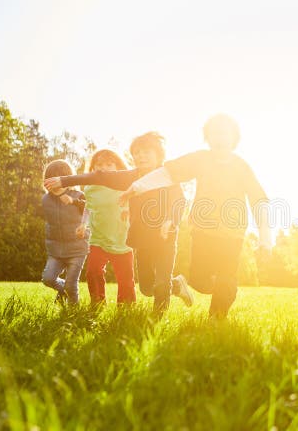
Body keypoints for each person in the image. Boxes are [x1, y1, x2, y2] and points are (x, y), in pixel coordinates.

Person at [121, 114, 272, 319]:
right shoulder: (200, 159)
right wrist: (137, 187)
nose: (219, 138)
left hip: (232, 235)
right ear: (207, 138)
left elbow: (259, 200)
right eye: (214, 133)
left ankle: (216, 317)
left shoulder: (241, 167)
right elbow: (169, 173)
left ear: (234, 138)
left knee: (225, 278)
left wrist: (265, 240)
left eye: (224, 133)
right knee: (199, 281)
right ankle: (222, 285)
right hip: (202, 232)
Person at [43, 132, 193, 316]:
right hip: (142, 240)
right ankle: (177, 285)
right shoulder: (131, 176)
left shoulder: (167, 177)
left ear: (159, 154)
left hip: (165, 240)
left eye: (146, 152)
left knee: (161, 284)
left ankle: (156, 323)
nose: (140, 156)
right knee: (147, 288)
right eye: (137, 152)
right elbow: (99, 177)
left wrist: (171, 221)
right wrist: (65, 180)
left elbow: (180, 201)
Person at [80, 149, 136, 305]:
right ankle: (97, 302)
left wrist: (129, 211)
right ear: (93, 168)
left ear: (118, 167)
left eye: (109, 164)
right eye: (99, 164)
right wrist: (83, 223)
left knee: (125, 279)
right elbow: (89, 207)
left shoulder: (125, 185)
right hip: (98, 239)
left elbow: (136, 201)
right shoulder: (90, 188)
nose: (104, 168)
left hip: (121, 239)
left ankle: (126, 308)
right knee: (92, 271)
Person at [40, 159, 89, 305]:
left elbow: (89, 209)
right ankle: (62, 290)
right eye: (50, 179)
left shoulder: (78, 196)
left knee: (71, 285)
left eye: (59, 179)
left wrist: (83, 225)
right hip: (56, 250)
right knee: (48, 278)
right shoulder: (46, 199)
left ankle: (74, 313)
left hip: (77, 249)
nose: (55, 184)